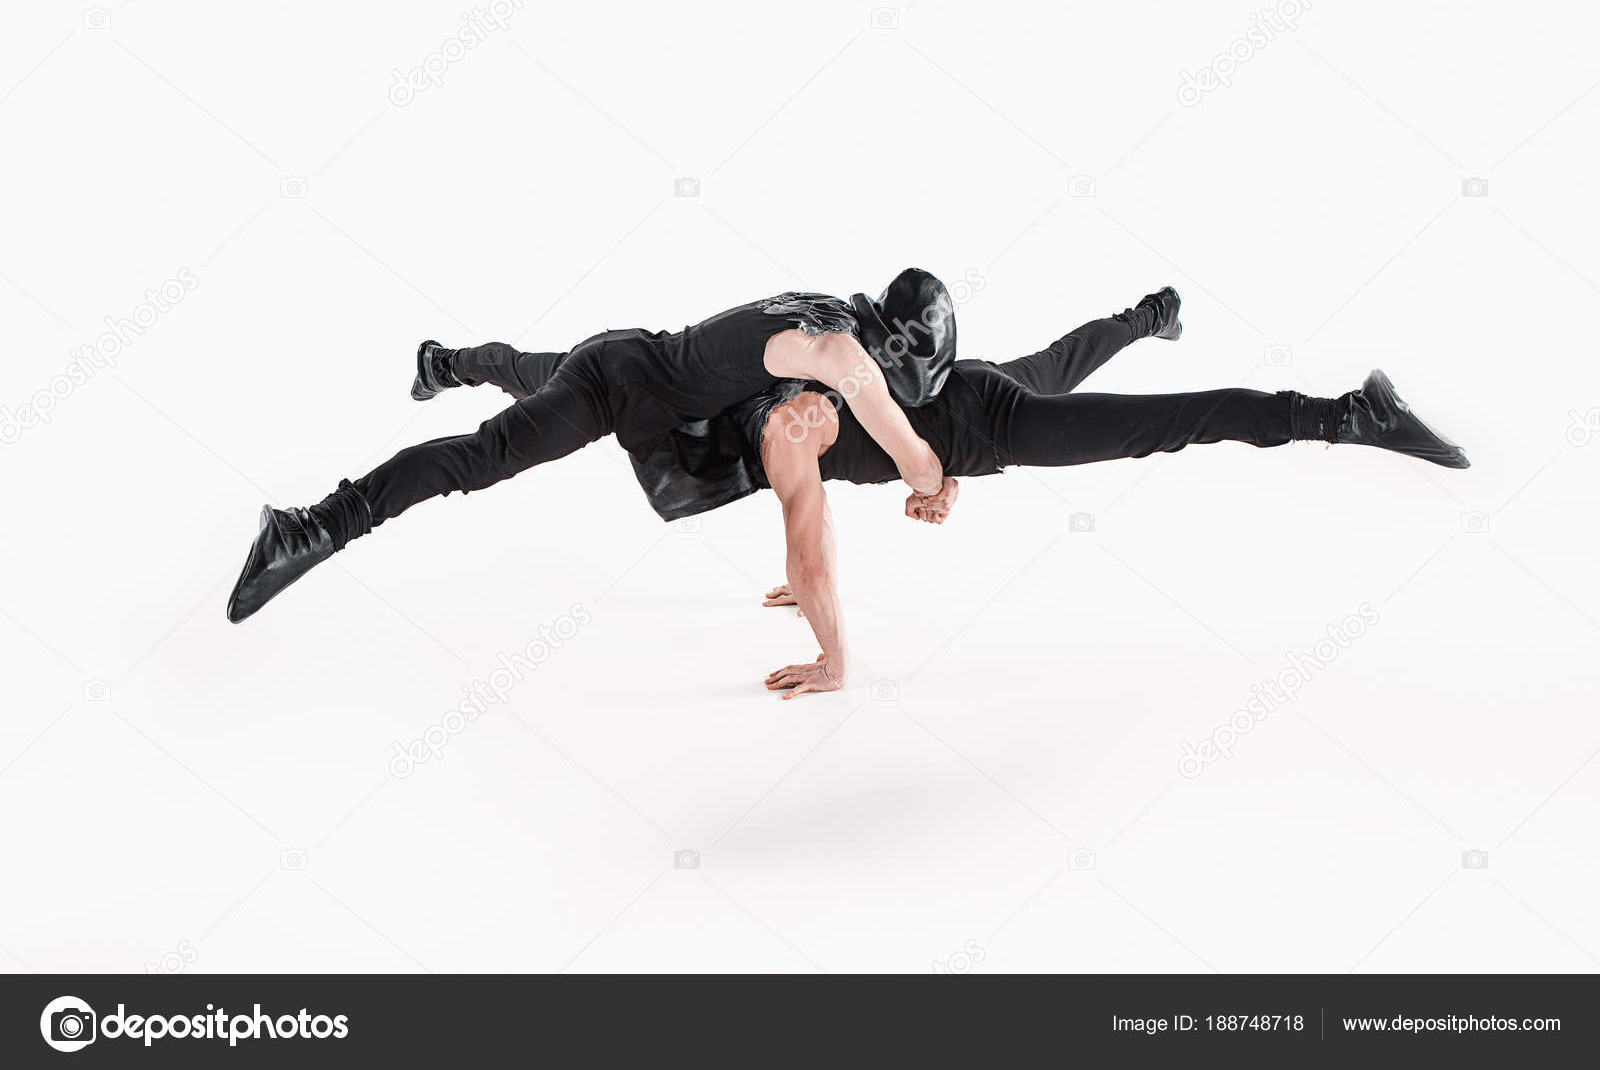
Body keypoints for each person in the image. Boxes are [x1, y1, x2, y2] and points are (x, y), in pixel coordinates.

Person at [400, 285, 1469, 698]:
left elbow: (807, 532)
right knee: (556, 374)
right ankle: (1149, 312)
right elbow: (800, 512)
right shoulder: (780, 385)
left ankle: (1343, 413)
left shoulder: (796, 418)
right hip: (963, 408)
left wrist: (833, 655)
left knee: (1150, 417)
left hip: (988, 424)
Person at [226, 269, 957, 623]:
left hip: (634, 373)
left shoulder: (826, 307)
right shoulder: (836, 348)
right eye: (891, 381)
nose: (880, 392)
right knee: (484, 455)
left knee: (522, 371)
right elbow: (909, 452)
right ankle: (312, 526)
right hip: (614, 382)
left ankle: (442, 363)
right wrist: (934, 482)